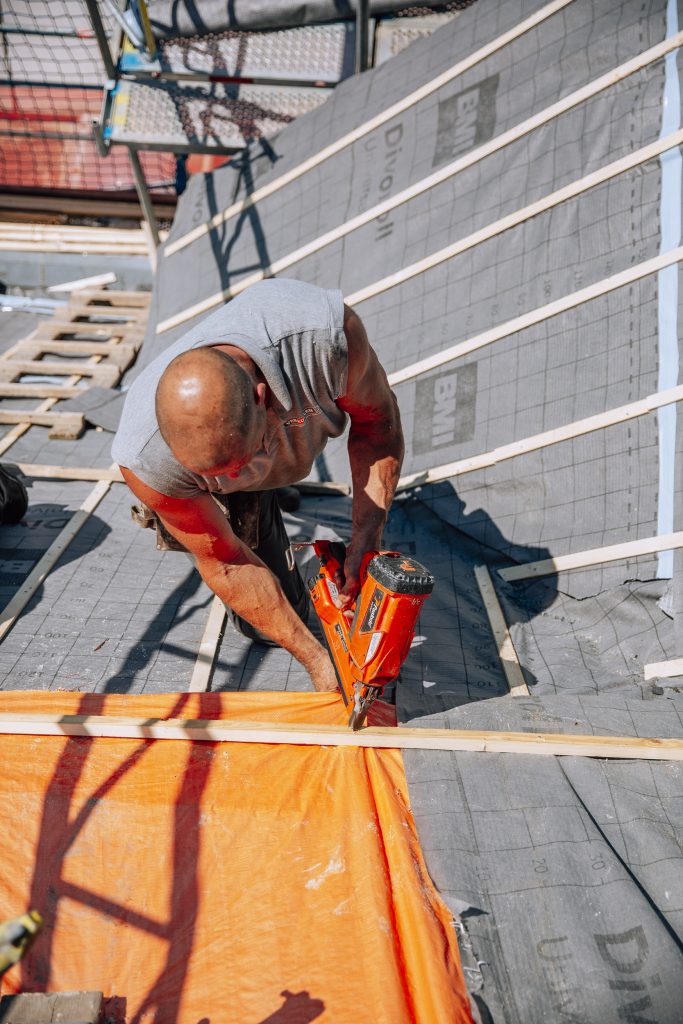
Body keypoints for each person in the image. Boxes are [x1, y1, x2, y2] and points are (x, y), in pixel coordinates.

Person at [111, 279, 404, 693]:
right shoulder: (147, 459)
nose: (229, 480)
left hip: (289, 409)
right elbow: (226, 563)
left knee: (257, 478)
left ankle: (272, 485)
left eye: (239, 464)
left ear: (264, 397)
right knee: (269, 625)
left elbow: (378, 425)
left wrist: (366, 536)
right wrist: (317, 660)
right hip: (205, 473)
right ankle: (251, 494)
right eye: (215, 475)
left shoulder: (325, 342)